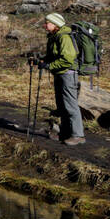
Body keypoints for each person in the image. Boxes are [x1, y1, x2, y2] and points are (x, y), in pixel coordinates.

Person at [40, 13, 85, 145]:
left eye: (47, 23)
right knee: (62, 105)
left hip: (68, 73)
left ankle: (78, 135)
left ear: (55, 24)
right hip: (59, 73)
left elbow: (68, 58)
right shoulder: (54, 37)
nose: (45, 25)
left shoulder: (64, 37)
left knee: (70, 104)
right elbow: (53, 55)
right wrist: (42, 61)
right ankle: (65, 133)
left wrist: (50, 66)